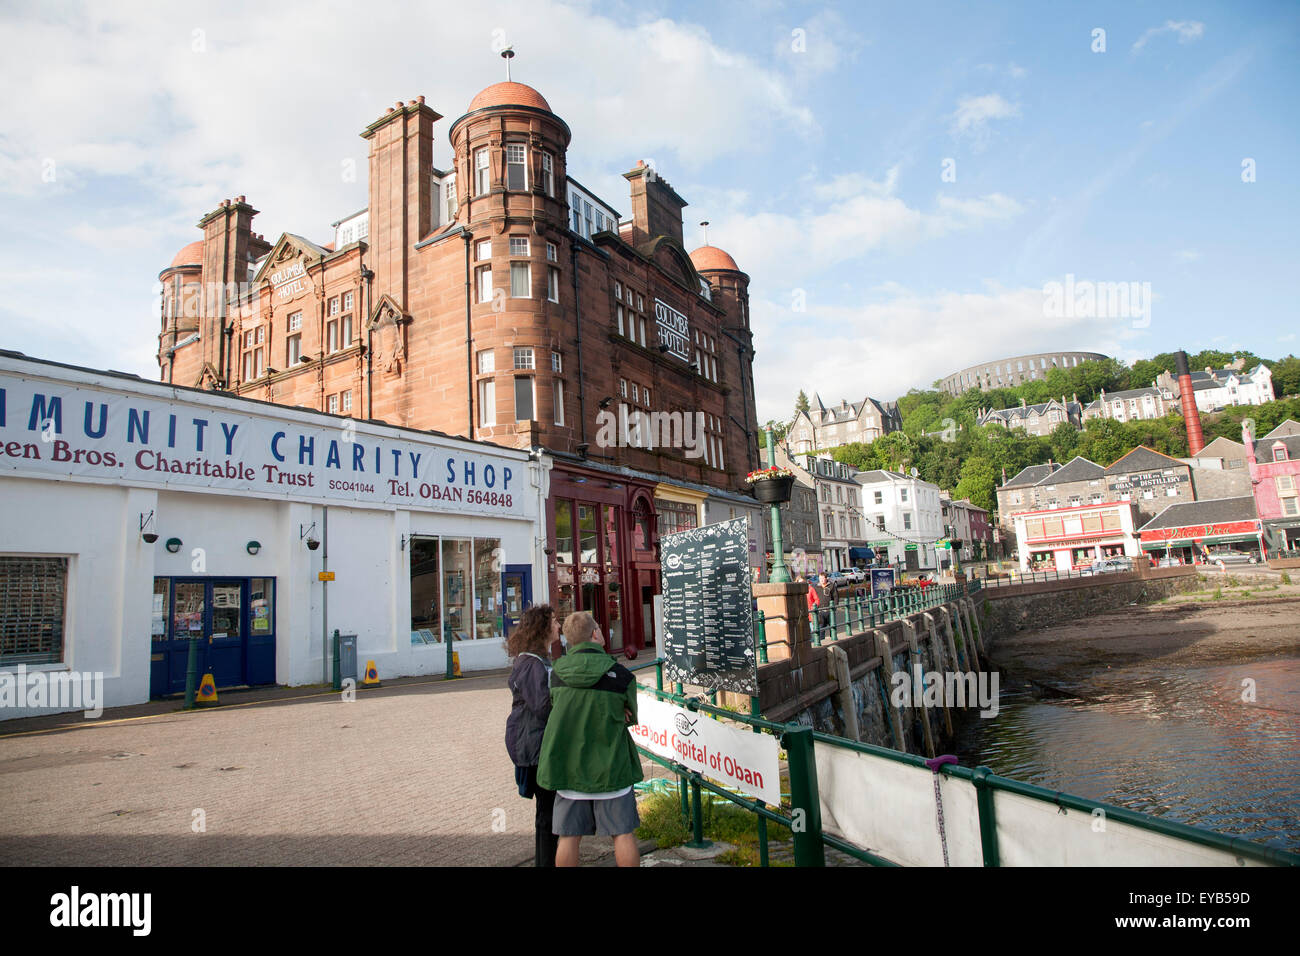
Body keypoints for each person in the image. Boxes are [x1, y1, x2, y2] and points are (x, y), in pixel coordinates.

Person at [537, 611, 643, 867]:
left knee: (568, 837)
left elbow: (556, 707)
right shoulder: (621, 676)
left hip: (569, 768)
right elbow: (631, 717)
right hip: (611, 767)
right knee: (623, 834)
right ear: (595, 634)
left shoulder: (556, 675)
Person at [504, 605, 561, 867]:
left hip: (534, 742)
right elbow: (542, 706)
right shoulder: (532, 664)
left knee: (548, 810)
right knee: (547, 812)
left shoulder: (534, 661)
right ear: (543, 628)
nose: (558, 626)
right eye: (554, 621)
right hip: (535, 745)